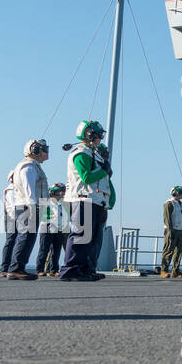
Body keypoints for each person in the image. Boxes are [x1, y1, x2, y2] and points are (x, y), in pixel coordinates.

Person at [59, 120, 114, 282]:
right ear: (90, 134)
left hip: (95, 200)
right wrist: (103, 170)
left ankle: (83, 269)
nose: (100, 139)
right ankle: (70, 269)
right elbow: (87, 177)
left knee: (89, 238)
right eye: (98, 135)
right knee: (80, 235)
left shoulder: (92, 153)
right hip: (83, 198)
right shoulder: (81, 153)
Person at [5, 139, 50, 280]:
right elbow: (28, 188)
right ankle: (16, 268)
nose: (46, 152)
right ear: (35, 150)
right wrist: (32, 207)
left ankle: (18, 267)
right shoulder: (28, 167)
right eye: (43, 149)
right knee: (25, 237)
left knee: (28, 238)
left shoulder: (33, 166)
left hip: (30, 206)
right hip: (28, 206)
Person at [36, 183, 68, 276]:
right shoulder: (46, 202)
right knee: (44, 249)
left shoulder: (60, 204)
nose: (61, 194)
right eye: (59, 192)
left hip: (58, 228)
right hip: (47, 227)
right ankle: (39, 269)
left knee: (56, 249)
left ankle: (54, 270)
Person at [160, 185, 182, 278]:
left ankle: (175, 271)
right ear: (174, 193)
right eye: (180, 193)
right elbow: (167, 219)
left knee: (179, 251)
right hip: (171, 230)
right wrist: (170, 230)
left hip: (180, 230)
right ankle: (163, 271)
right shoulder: (169, 203)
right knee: (168, 250)